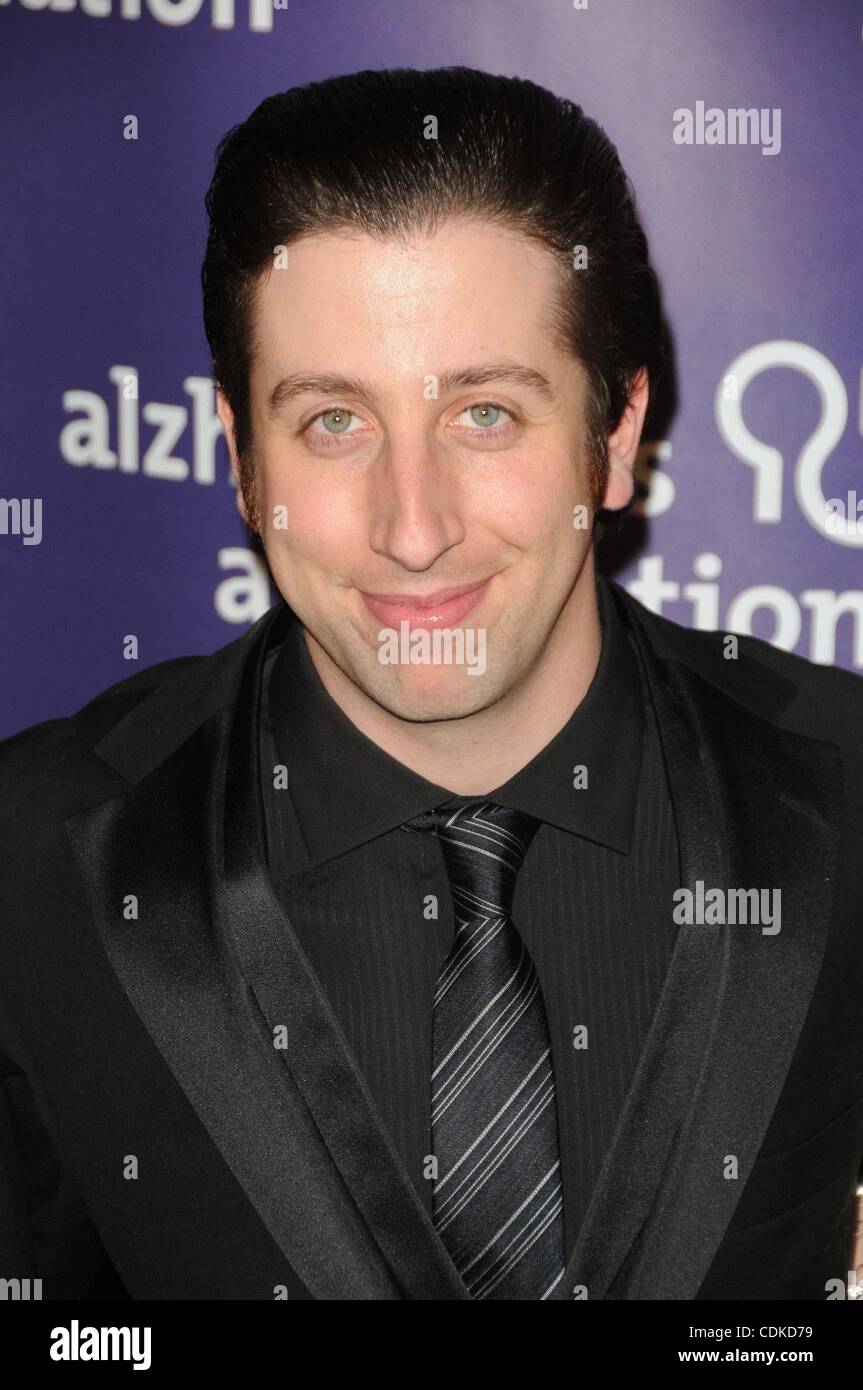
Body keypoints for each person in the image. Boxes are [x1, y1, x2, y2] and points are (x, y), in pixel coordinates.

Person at [1, 66, 861, 1302]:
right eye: (333, 423)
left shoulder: (844, 788)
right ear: (243, 461)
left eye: (486, 414)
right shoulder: (29, 866)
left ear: (613, 438)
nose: (413, 530)